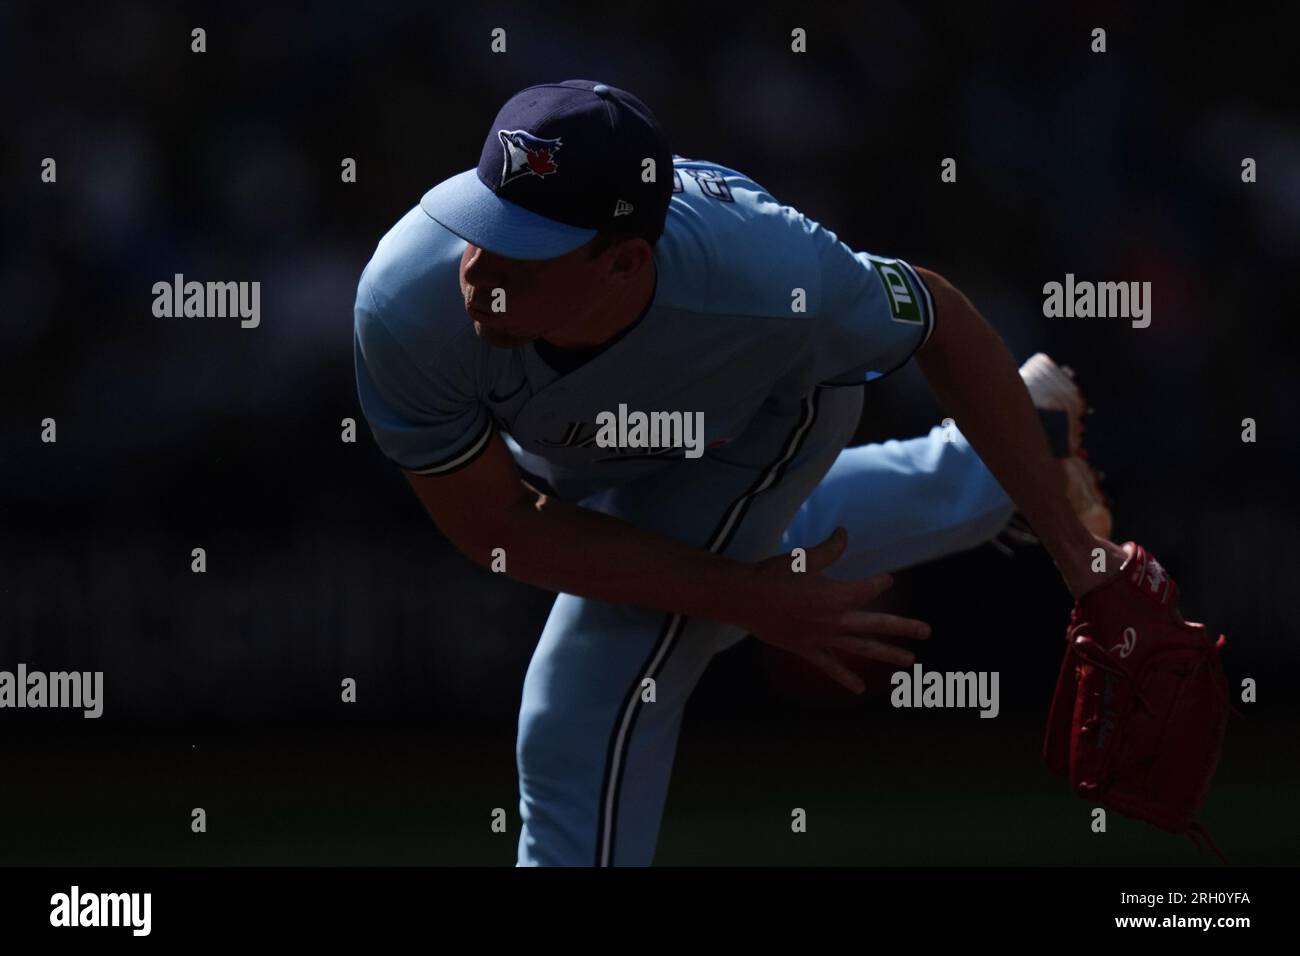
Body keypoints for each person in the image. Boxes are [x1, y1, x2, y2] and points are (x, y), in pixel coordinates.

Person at [353, 79, 1119, 866]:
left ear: (622, 264)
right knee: (743, 560)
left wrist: (1084, 567)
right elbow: (500, 527)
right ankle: (1009, 456)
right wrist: (748, 595)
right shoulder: (407, 297)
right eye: (481, 222)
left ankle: (1010, 456)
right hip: (582, 447)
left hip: (764, 412)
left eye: (526, 250)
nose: (478, 267)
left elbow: (939, 320)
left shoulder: (774, 275)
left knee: (585, 695)